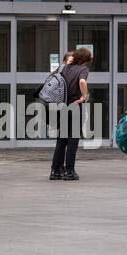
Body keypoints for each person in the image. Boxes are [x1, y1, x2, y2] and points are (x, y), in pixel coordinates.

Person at [50, 48, 92, 181]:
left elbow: (52, 77)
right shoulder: (82, 69)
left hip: (62, 106)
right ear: (85, 59)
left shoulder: (65, 68)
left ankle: (55, 171)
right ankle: (69, 171)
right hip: (74, 106)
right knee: (72, 140)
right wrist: (84, 96)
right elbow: (82, 82)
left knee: (61, 140)